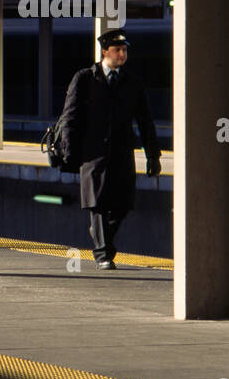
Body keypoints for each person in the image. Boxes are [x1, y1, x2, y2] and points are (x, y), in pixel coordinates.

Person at [56, 30, 161, 270]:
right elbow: (69, 117)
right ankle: (103, 254)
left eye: (124, 50)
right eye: (117, 50)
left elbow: (145, 121)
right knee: (98, 203)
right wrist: (69, 152)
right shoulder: (84, 78)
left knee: (123, 203)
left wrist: (152, 155)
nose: (122, 54)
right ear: (105, 52)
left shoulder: (133, 82)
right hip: (92, 154)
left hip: (123, 154)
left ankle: (100, 234)